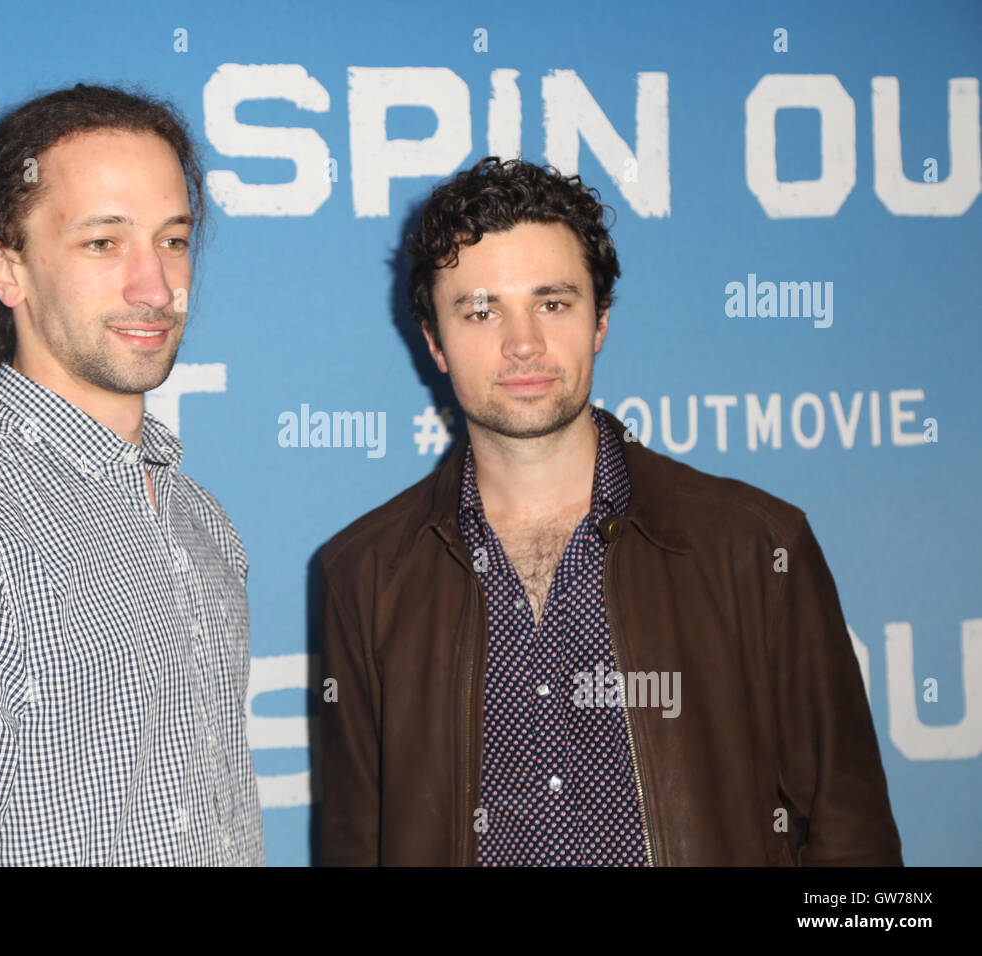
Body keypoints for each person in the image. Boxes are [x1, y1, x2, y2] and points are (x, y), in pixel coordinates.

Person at [317, 156, 901, 866]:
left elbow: (854, 842)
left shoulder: (757, 548)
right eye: (481, 310)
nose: (523, 341)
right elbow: (358, 844)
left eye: (553, 303)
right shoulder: (366, 574)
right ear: (435, 341)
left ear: (600, 322)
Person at [0, 84, 264, 866]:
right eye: (103, 243)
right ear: (7, 269)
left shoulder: (200, 521)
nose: (155, 288)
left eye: (172, 240)